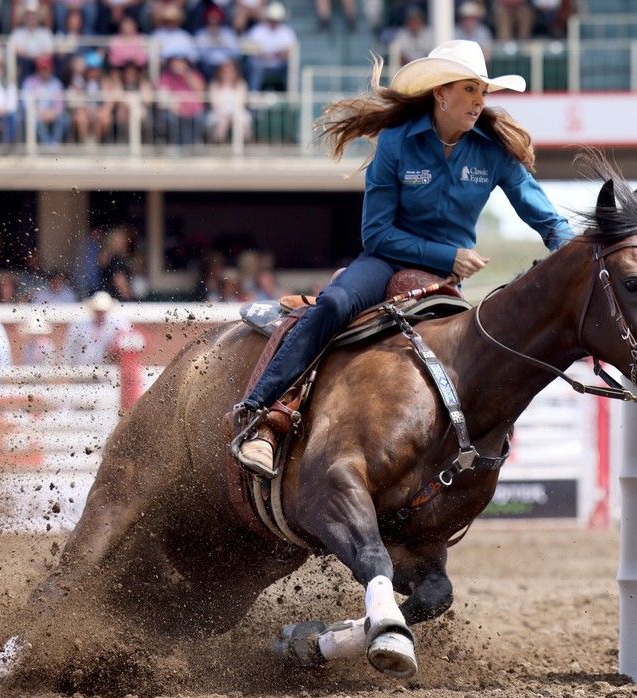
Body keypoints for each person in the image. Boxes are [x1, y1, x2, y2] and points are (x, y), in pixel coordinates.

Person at [236, 40, 573, 476]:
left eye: (483, 92)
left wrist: (572, 251)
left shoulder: (493, 151)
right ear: (441, 93)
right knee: (336, 304)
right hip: (385, 263)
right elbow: (375, 234)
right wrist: (449, 254)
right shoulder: (396, 142)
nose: (478, 101)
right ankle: (260, 413)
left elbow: (546, 218)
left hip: (442, 280)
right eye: (469, 89)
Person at [62, 290, 131, 365]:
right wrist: (68, 365)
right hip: (82, 367)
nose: (100, 313)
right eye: (98, 310)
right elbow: (70, 346)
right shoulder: (80, 323)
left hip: (106, 368)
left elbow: (127, 338)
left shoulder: (116, 324)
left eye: (102, 311)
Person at [244, 2, 296, 91]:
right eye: (272, 19)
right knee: (254, 65)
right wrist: (260, 54)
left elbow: (292, 50)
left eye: (276, 20)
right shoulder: (257, 30)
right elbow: (249, 49)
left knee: (292, 67)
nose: (273, 22)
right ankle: (254, 95)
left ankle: (292, 95)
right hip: (261, 65)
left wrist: (282, 55)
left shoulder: (287, 32)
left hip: (280, 65)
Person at [21, 54, 67, 148]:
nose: (44, 71)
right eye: (42, 69)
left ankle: (53, 145)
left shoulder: (56, 83)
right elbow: (26, 104)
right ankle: (47, 146)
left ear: (51, 69)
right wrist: (39, 113)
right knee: (35, 121)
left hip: (52, 113)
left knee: (64, 118)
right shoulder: (29, 82)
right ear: (38, 69)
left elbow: (60, 105)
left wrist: (51, 113)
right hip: (36, 114)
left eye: (46, 68)